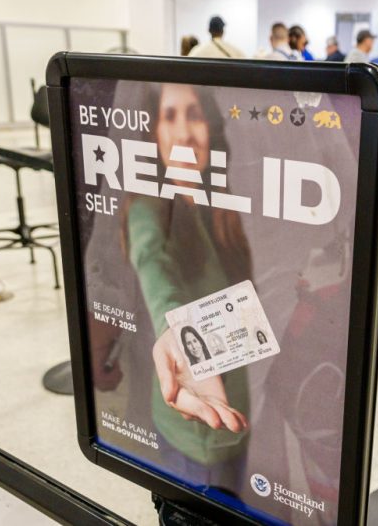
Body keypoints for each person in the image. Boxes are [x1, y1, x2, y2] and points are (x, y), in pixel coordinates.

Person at [127, 82, 251, 479]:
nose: (183, 133)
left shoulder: (223, 203)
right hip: (195, 428)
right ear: (154, 133)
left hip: (240, 410)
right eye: (169, 117)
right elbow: (153, 265)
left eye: (194, 115)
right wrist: (173, 329)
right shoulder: (148, 210)